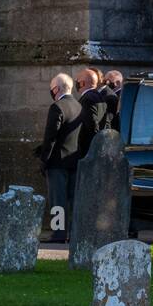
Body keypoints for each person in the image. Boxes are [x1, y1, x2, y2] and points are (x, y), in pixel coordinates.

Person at [34, 72, 81, 243]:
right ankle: (74, 233)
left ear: (56, 89)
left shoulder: (57, 107)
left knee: (57, 201)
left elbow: (51, 137)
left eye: (51, 89)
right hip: (74, 161)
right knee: (73, 199)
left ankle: (58, 234)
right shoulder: (79, 106)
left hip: (57, 163)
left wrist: (43, 160)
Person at [76, 68, 108, 158]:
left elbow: (92, 126)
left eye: (77, 80)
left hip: (89, 150)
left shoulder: (87, 99)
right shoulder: (99, 96)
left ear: (82, 83)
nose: (76, 83)